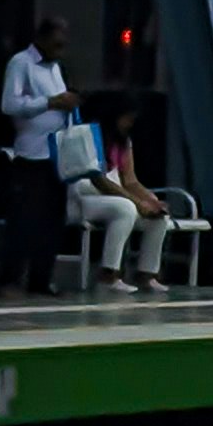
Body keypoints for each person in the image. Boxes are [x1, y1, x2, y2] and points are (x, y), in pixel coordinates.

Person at [0, 13, 73, 300]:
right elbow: (10, 104)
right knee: (23, 219)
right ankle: (9, 278)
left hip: (56, 155)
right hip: (31, 154)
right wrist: (50, 102)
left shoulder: (55, 68)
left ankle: (42, 278)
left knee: (52, 222)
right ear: (41, 39)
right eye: (55, 44)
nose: (59, 50)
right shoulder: (22, 64)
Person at [69, 100, 178, 292]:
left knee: (158, 217)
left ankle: (147, 273)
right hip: (84, 197)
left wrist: (151, 201)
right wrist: (137, 202)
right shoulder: (89, 137)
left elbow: (130, 181)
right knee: (125, 208)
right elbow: (99, 181)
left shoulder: (124, 142)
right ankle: (108, 274)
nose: (129, 123)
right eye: (126, 119)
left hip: (113, 196)